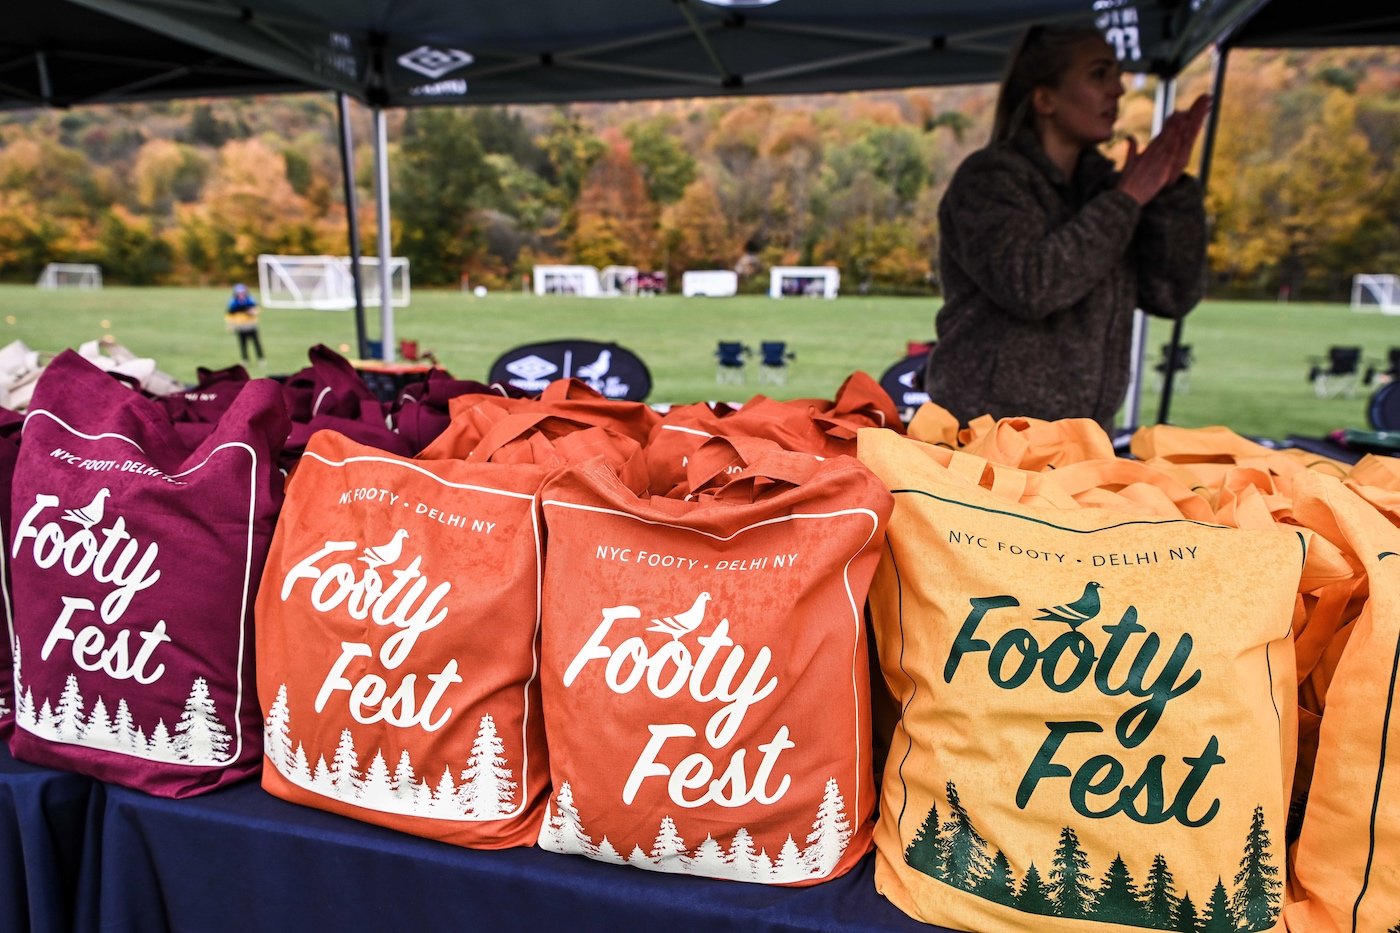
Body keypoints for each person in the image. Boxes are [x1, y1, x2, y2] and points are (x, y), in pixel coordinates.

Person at [924, 23, 1211, 432]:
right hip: (989, 439)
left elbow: (1172, 295)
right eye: (1099, 74)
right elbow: (1032, 285)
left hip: (1086, 441)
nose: (1118, 90)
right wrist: (1126, 200)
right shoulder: (988, 181)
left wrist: (1168, 190)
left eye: (1116, 74)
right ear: (1045, 99)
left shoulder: (1107, 191)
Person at [226, 283, 265, 365]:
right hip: (241, 327)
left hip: (251, 326)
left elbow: (257, 309)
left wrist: (253, 312)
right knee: (243, 344)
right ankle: (245, 360)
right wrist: (230, 325)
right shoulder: (233, 303)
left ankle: (260, 359)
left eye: (242, 292)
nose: (241, 294)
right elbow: (229, 315)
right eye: (239, 293)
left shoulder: (250, 300)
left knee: (256, 343)